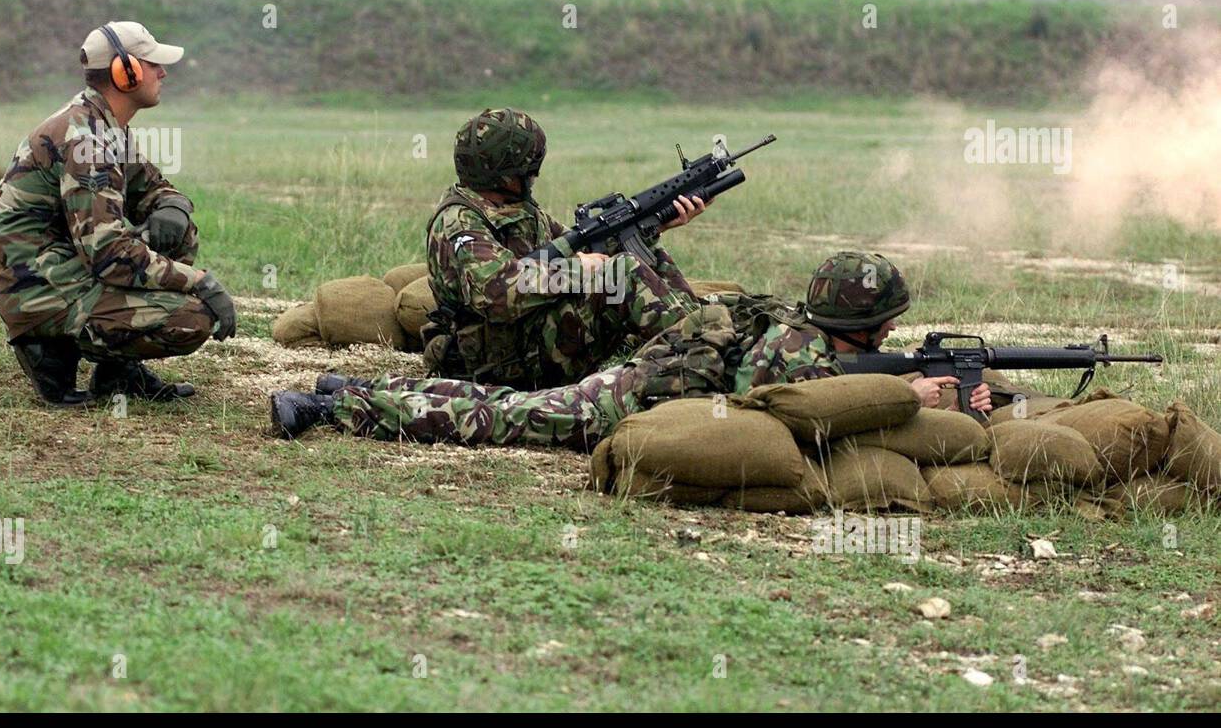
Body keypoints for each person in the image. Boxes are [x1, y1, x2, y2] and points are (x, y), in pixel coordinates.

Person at [269, 251, 992, 443]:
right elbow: (808, 415)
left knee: (516, 404)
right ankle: (333, 409)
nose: (895, 333)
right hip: (637, 397)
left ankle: (344, 390)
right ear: (863, 323)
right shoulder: (798, 358)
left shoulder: (800, 331)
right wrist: (911, 398)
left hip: (646, 381)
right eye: (888, 321)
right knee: (507, 419)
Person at [0, 21, 237, 406]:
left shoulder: (106, 126)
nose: (163, 72)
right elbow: (109, 256)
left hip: (63, 269)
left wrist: (175, 206)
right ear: (126, 72)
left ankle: (117, 373)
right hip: (36, 288)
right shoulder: (86, 142)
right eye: (154, 64)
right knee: (190, 318)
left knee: (177, 229)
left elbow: (156, 188)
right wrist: (199, 281)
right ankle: (47, 347)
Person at [421, 106, 707, 390]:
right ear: (507, 175)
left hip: (525, 340)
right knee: (623, 271)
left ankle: (705, 335)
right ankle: (705, 362)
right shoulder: (458, 221)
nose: (535, 175)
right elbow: (496, 292)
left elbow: (587, 249)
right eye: (530, 168)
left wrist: (655, 225)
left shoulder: (521, 211)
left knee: (647, 257)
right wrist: (580, 269)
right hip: (492, 362)